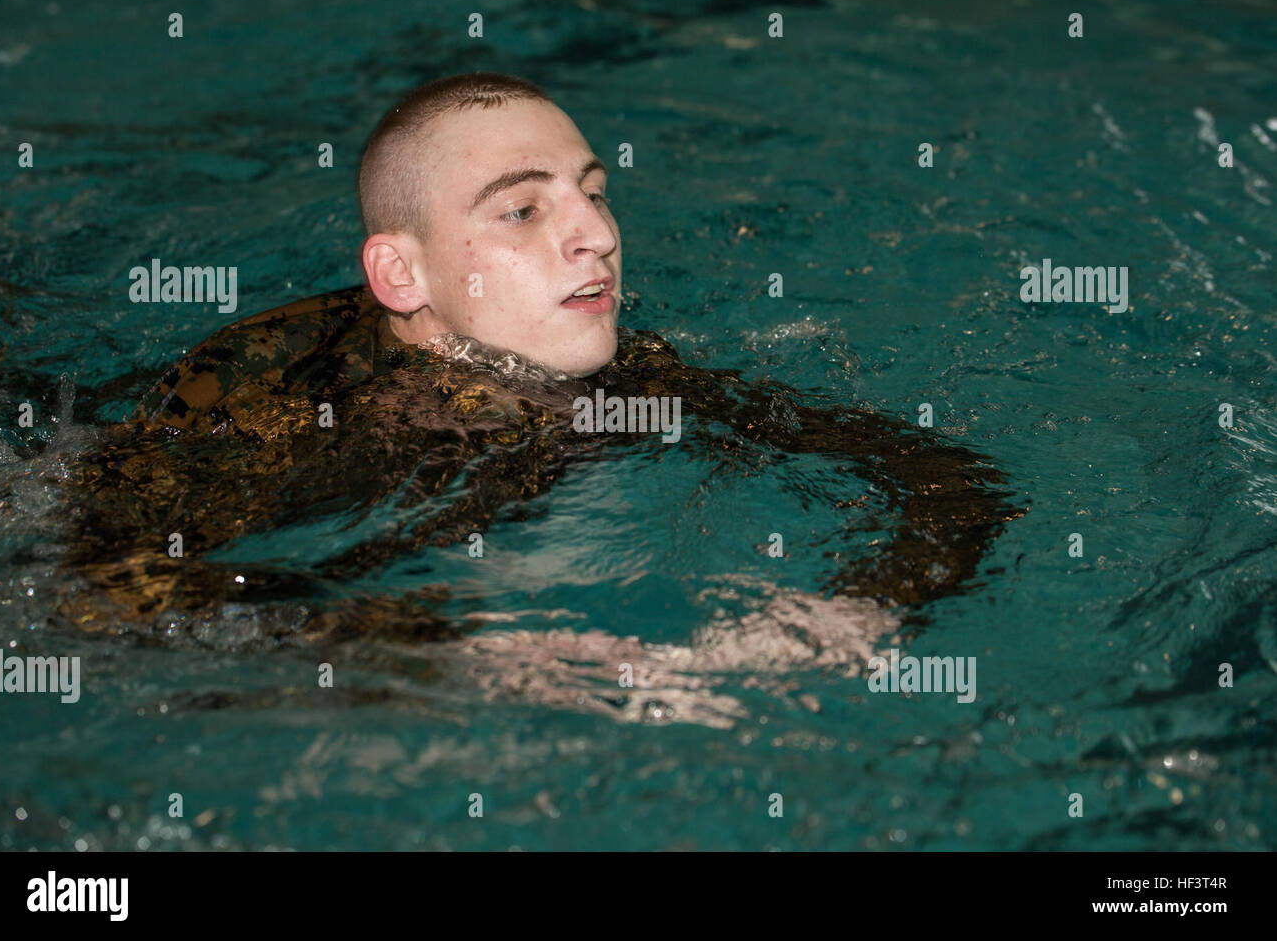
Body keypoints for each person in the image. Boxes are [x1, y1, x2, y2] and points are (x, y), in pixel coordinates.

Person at [60, 73, 1023, 676]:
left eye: (595, 193)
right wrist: (439, 655)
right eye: (522, 210)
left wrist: (845, 607)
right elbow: (106, 600)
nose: (597, 236)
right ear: (403, 274)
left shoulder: (634, 382)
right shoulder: (279, 408)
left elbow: (948, 480)